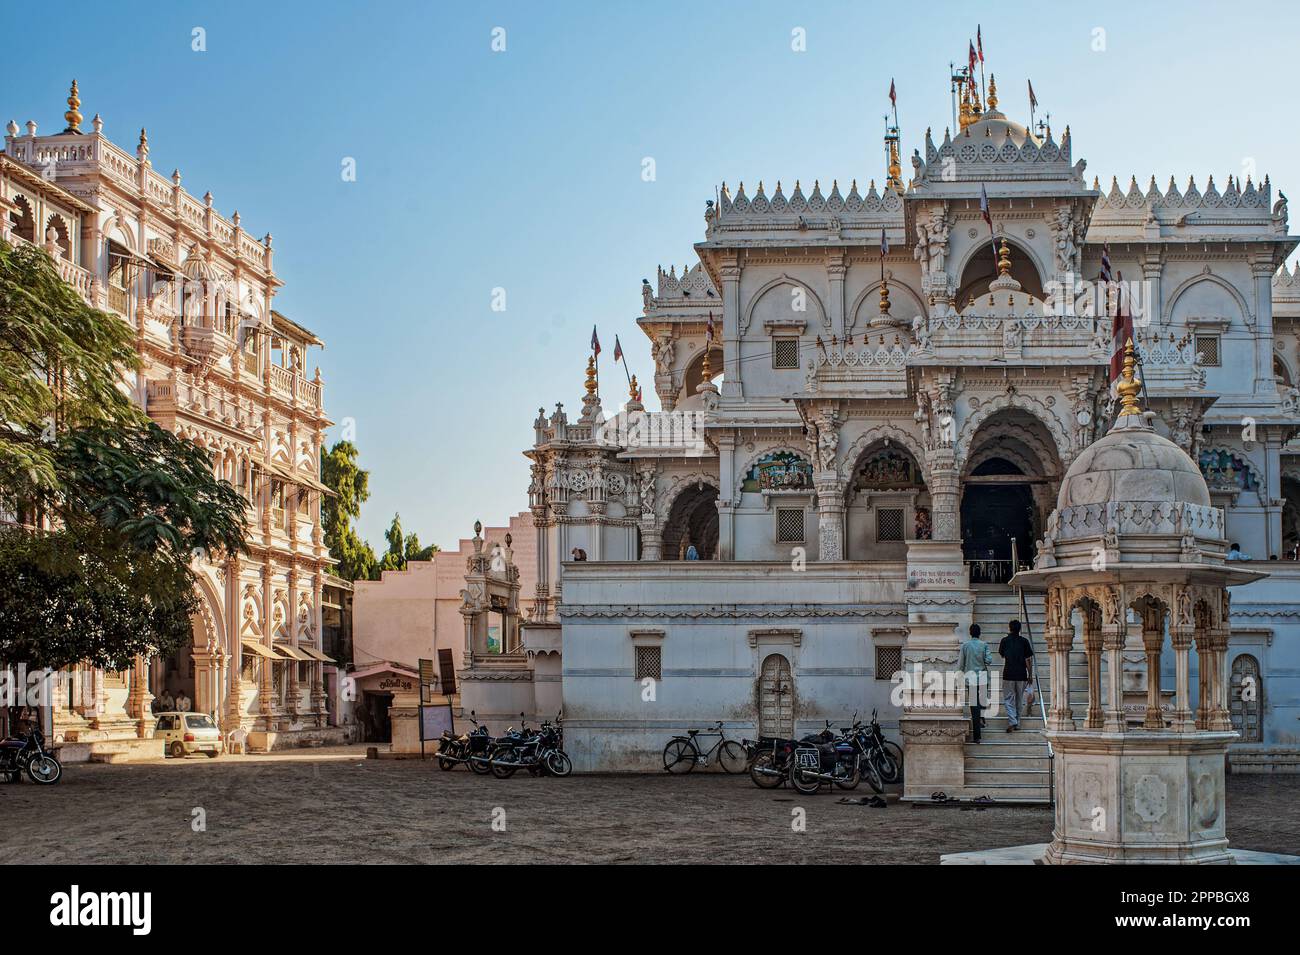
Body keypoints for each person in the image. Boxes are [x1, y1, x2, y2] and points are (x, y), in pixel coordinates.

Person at [957, 624, 992, 743]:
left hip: (970, 679)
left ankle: (977, 736)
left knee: (974, 706)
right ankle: (981, 718)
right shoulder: (984, 645)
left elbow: (961, 664)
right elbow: (989, 660)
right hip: (982, 678)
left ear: (970, 633)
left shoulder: (965, 646)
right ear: (979, 633)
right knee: (982, 701)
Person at [998, 619, 1034, 732]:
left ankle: (1012, 721)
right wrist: (1030, 674)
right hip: (1021, 674)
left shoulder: (1004, 641)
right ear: (1019, 629)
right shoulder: (1024, 641)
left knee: (1009, 699)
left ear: (1009, 628)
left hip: (1008, 673)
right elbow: (1028, 660)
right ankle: (1017, 722)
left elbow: (1002, 655)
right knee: (1019, 699)